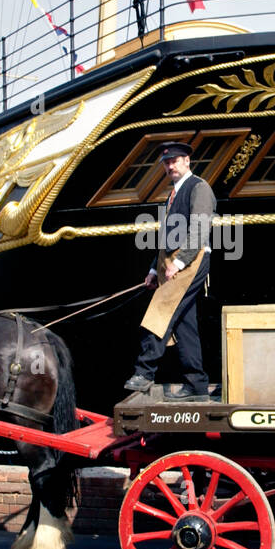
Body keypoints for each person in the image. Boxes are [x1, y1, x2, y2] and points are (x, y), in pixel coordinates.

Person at [123, 141, 216, 399]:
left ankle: (144, 373)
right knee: (184, 324)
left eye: (175, 161)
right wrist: (155, 269)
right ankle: (197, 385)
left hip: (191, 260)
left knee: (160, 311)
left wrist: (179, 262)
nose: (170, 165)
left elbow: (199, 228)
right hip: (172, 261)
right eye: (166, 163)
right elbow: (166, 238)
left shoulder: (199, 187)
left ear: (187, 161)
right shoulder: (173, 194)